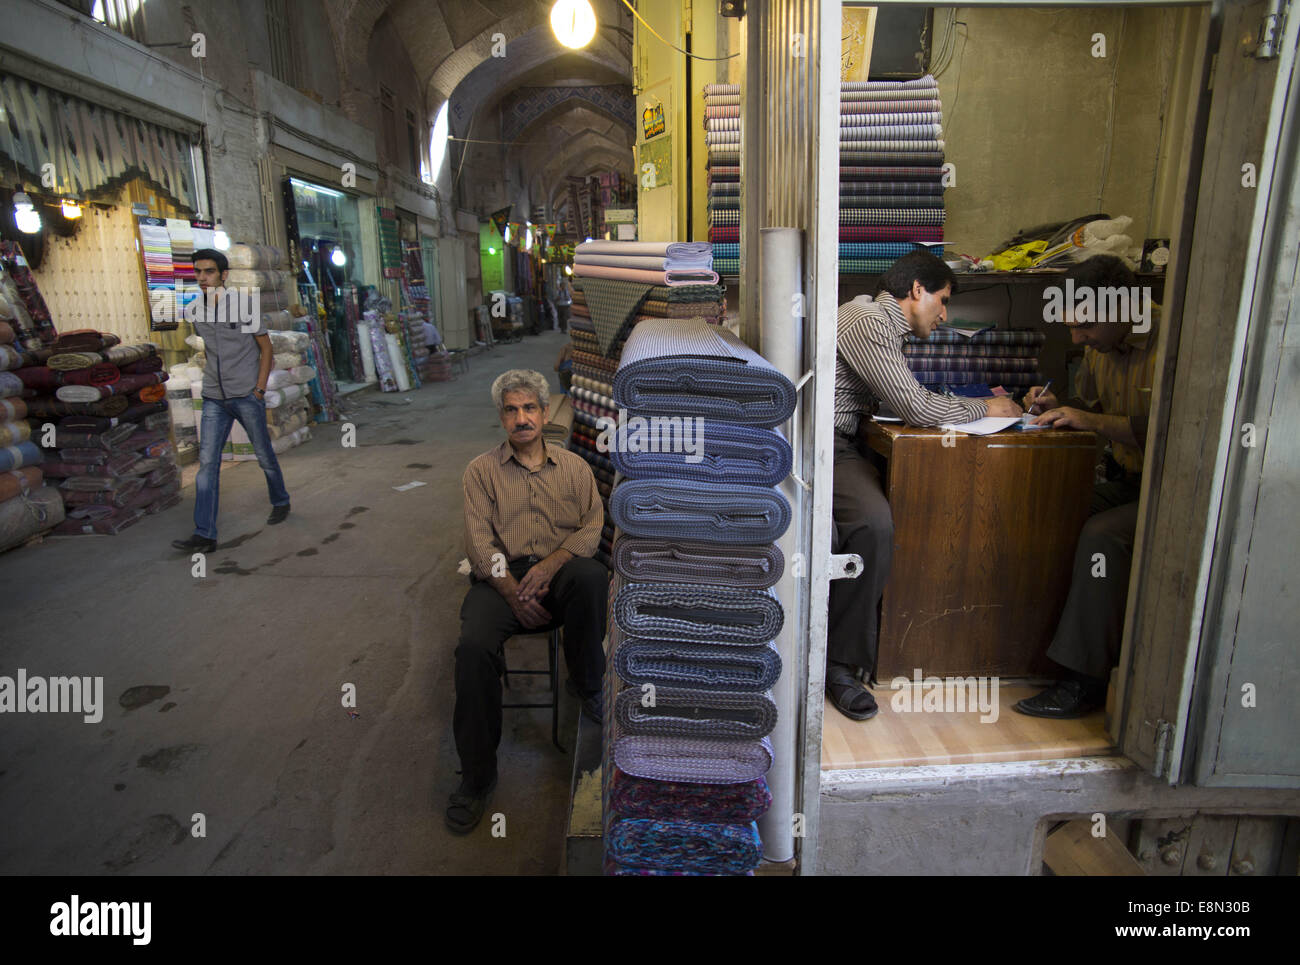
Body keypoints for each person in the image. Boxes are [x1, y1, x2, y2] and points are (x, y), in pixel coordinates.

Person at [828, 251, 1023, 721]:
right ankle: (839, 668)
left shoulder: (879, 325)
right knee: (874, 525)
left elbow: (909, 397)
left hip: (844, 442)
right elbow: (917, 408)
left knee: (900, 505)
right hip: (823, 446)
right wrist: (988, 408)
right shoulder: (868, 320)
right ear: (917, 290)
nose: (944, 315)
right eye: (943, 300)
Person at [448, 369, 607, 833]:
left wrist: (552, 562)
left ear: (542, 411)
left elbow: (592, 528)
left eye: (529, 408)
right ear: (502, 418)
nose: (522, 418)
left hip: (557, 575)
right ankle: (476, 779)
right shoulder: (480, 471)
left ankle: (587, 683)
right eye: (512, 410)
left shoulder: (574, 467)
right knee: (472, 649)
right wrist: (512, 593)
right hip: (502, 579)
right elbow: (478, 545)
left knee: (592, 576)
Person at [1014, 255, 1158, 718]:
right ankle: (1021, 652)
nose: (1077, 339)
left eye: (1086, 326)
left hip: (1171, 490)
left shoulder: (1176, 341)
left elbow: (1176, 428)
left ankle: (1084, 681)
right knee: (1046, 509)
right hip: (1123, 478)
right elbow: (1094, 411)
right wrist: (1060, 405)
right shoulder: (1099, 347)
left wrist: (1088, 418)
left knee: (1103, 535)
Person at [172, 248, 290, 554]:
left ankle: (281, 500)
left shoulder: (244, 307)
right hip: (214, 397)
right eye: (197, 272)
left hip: (246, 395)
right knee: (207, 465)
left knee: (263, 454)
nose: (202, 278)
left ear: (223, 275)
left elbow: (266, 350)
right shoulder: (196, 310)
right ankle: (205, 534)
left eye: (208, 272)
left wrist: (259, 390)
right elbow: (211, 351)